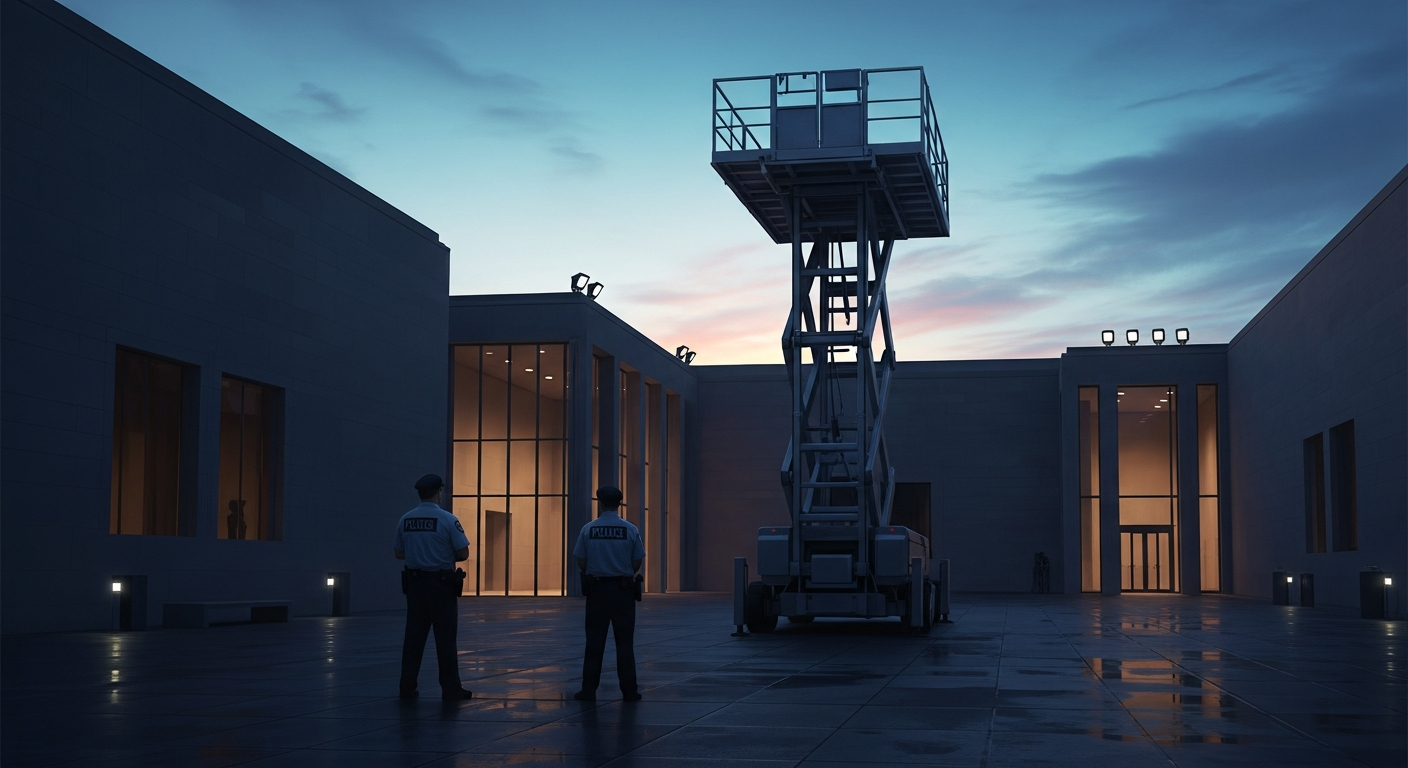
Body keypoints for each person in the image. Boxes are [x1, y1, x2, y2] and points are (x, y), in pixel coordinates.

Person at [393, 473, 473, 701]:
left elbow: (399, 553)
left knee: (413, 639)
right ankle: (450, 688)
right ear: (439, 492)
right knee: (445, 639)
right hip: (441, 586)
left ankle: (406, 688)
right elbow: (463, 553)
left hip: (415, 586)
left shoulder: (406, 519)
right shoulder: (447, 519)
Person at [571, 486, 645, 702]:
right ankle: (629, 691)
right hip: (623, 591)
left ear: (600, 503)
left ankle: (588, 690)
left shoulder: (589, 529)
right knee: (625, 643)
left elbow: (581, 559)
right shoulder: (630, 529)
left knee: (594, 642)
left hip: (597, 591)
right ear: (619, 504)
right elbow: (637, 560)